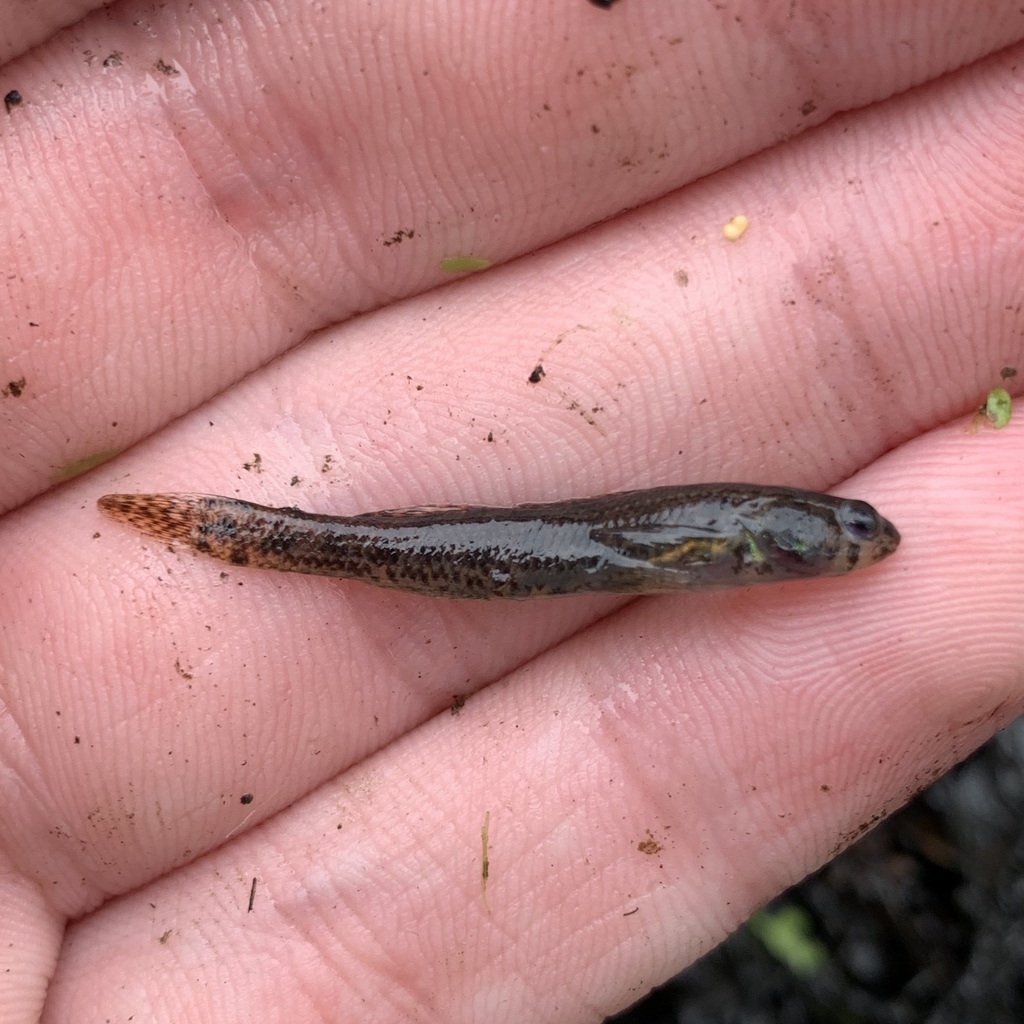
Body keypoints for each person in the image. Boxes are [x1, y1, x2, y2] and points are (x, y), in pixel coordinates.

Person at [1, 3, 1021, 1021]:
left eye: (843, 543)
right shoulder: (749, 536)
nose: (849, 545)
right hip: (512, 551)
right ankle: (232, 529)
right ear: (774, 540)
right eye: (840, 537)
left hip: (539, 552)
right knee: (361, 546)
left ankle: (236, 529)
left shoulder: (754, 538)